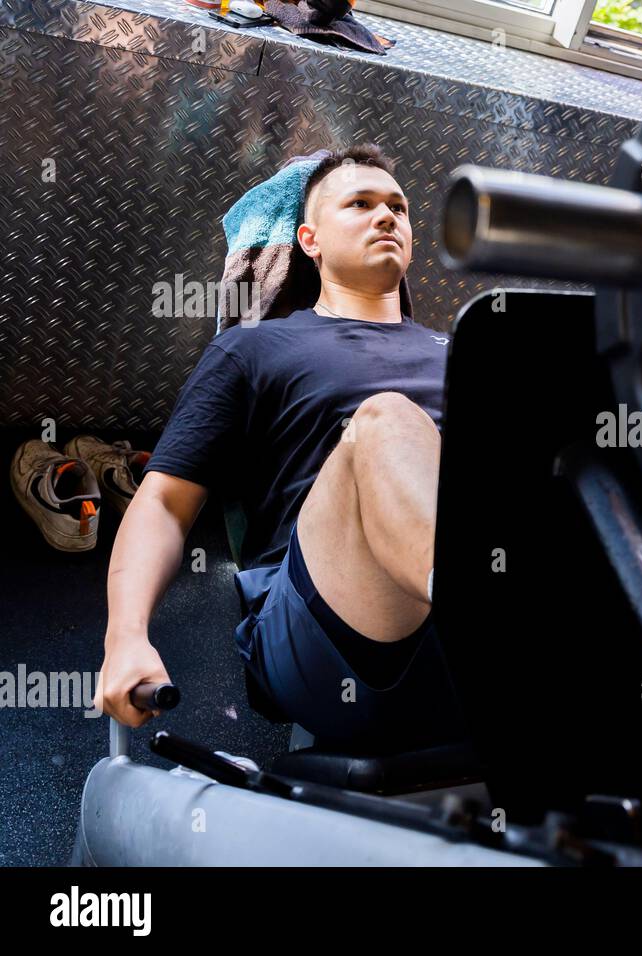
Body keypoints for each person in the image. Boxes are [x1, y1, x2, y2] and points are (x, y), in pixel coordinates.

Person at [93, 143, 466, 751]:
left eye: (398, 206)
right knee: (387, 422)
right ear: (310, 241)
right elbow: (163, 503)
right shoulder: (254, 351)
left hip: (451, 652)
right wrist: (125, 636)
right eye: (361, 203)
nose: (387, 216)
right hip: (329, 635)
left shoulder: (468, 351)